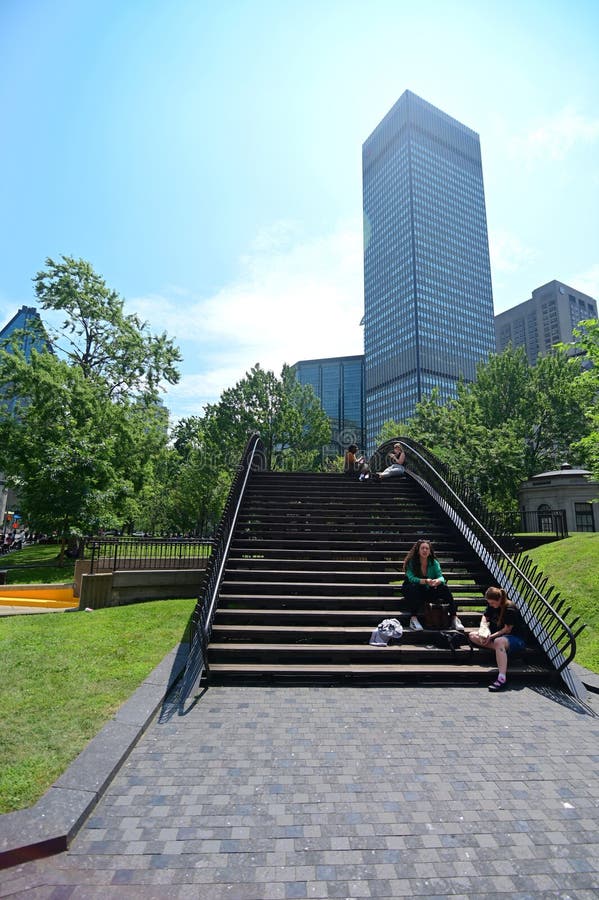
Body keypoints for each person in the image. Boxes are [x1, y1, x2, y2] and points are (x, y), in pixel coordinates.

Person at [469, 586, 527, 691]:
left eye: (492, 603)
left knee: (498, 641)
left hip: (516, 640)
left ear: (499, 599)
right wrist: (483, 627)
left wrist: (490, 637)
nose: (490, 605)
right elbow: (485, 616)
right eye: (489, 603)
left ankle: (502, 678)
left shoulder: (510, 608)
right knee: (472, 635)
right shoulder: (492, 605)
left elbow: (507, 630)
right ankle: (501, 652)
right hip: (499, 639)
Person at [402, 538, 464, 632]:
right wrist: (425, 581)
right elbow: (411, 579)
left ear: (430, 551)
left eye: (427, 548)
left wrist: (438, 581)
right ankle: (413, 619)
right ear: (418, 550)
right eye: (422, 548)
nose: (425, 550)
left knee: (444, 588)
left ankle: (454, 618)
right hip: (412, 589)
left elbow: (441, 577)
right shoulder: (412, 562)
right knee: (415, 588)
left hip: (427, 590)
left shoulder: (434, 562)